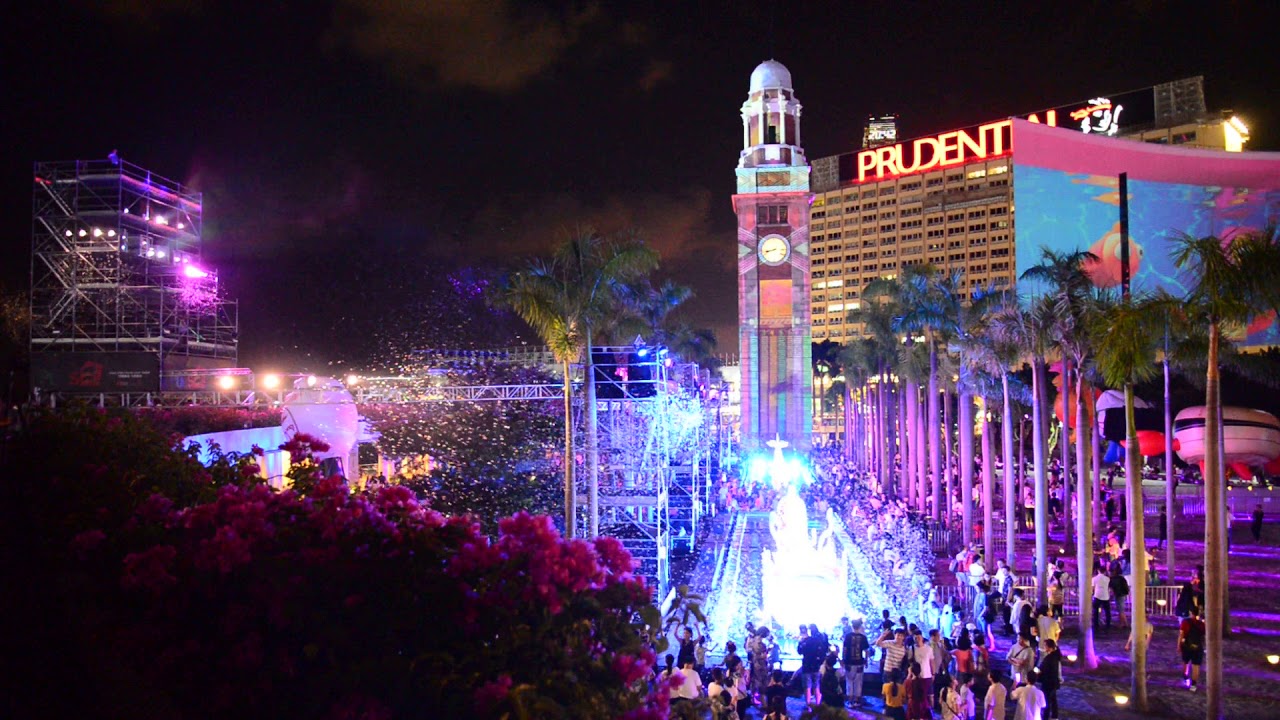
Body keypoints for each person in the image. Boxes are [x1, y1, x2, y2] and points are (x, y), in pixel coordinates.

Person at [1179, 606, 1206, 692]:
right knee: (1196, 666)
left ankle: (1185, 678)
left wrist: (1179, 645)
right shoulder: (1202, 624)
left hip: (1187, 645)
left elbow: (1181, 635)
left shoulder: (1185, 622)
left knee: (1185, 662)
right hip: (1198, 646)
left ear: (1191, 612)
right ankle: (1193, 685)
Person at [843, 618, 869, 707]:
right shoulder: (863, 637)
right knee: (858, 681)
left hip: (849, 663)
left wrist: (843, 660)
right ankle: (857, 701)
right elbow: (866, 651)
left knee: (849, 681)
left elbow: (845, 649)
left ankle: (850, 701)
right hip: (859, 663)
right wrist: (866, 661)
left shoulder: (847, 636)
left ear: (852, 626)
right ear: (860, 626)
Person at [798, 624, 827, 705]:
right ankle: (818, 704)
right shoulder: (817, 640)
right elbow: (822, 651)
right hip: (816, 665)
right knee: (816, 686)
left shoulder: (804, 641)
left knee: (807, 687)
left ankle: (809, 706)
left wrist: (800, 642)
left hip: (806, 665)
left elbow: (799, 651)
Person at [1036, 639, 1062, 720]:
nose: (1044, 647)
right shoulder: (1056, 656)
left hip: (1048, 683)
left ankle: (1046, 717)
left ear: (1049, 647)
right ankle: (1055, 716)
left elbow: (1043, 669)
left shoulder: (1049, 658)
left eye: (1045, 645)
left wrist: (1037, 671)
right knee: (1053, 699)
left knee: (1046, 701)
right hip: (1054, 682)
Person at [1091, 565, 1112, 630]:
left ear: (1098, 570)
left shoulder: (1094, 579)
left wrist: (1092, 594)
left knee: (1095, 611)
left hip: (1097, 595)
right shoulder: (1107, 579)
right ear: (1105, 571)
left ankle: (1096, 624)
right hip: (1106, 596)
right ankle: (1108, 624)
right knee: (1107, 611)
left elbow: (1092, 588)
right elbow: (1109, 587)